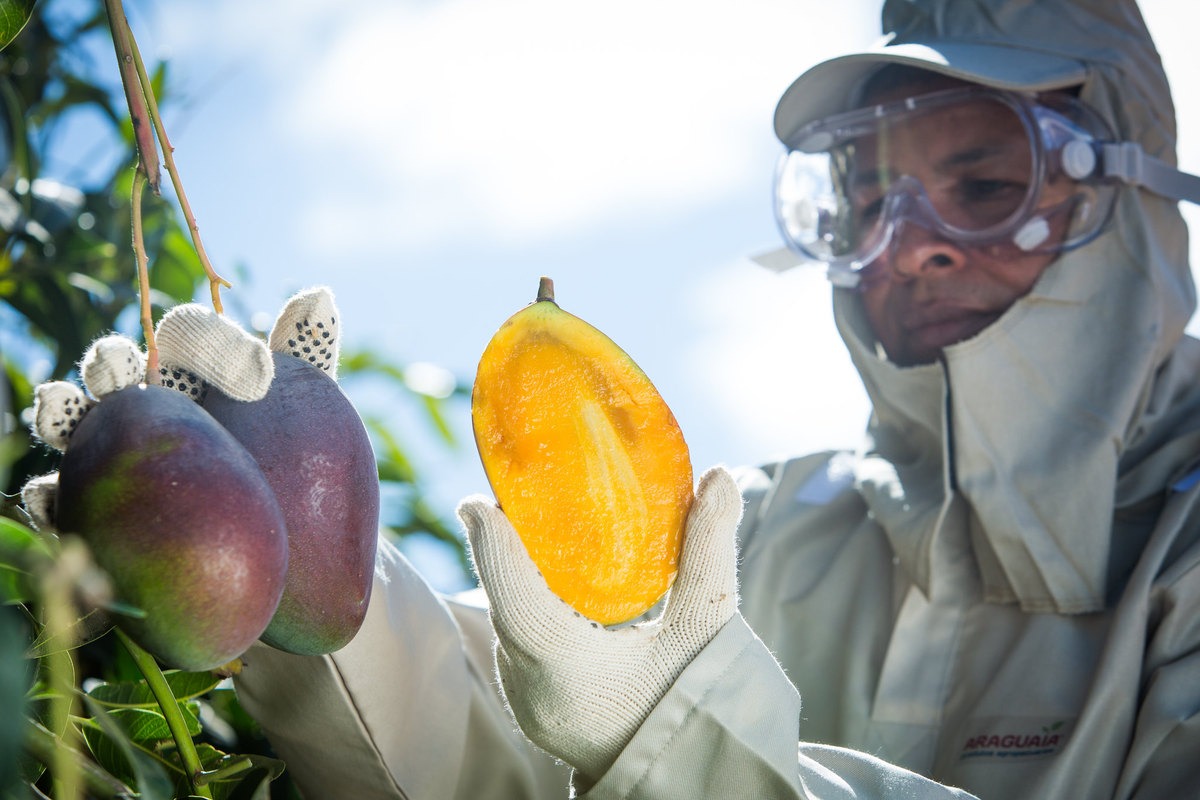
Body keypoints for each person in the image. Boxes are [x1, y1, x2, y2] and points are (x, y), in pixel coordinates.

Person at [28, 0, 1200, 797]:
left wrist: (679, 733)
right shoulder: (779, 531)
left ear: (1135, 198)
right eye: (867, 198)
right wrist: (308, 588)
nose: (910, 248)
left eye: (986, 183)